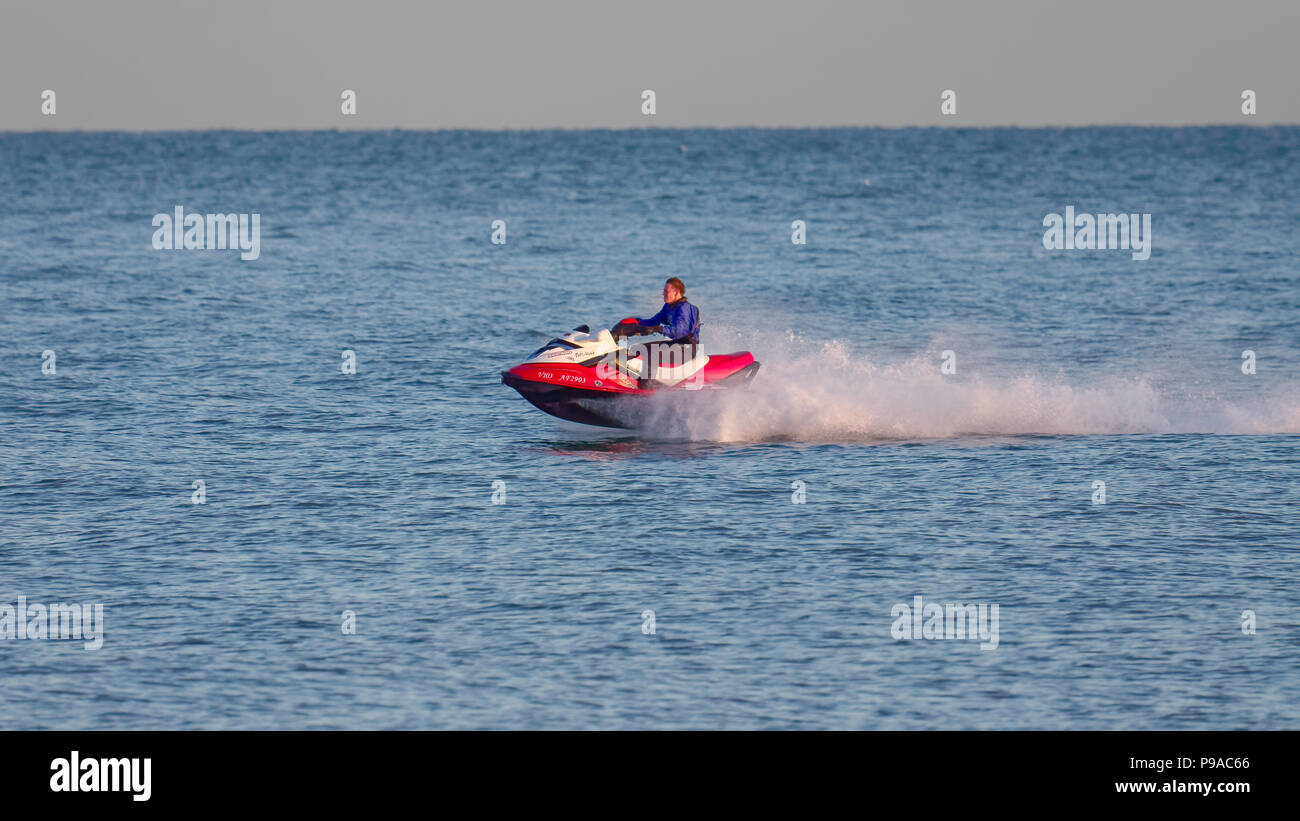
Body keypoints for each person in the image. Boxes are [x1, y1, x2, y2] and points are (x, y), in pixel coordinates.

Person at [610, 277, 701, 385]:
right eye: (663, 291)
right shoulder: (668, 307)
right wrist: (635, 324)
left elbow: (680, 331)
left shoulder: (684, 308)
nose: (663, 294)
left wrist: (658, 329)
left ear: (676, 293)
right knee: (637, 349)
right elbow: (654, 321)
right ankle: (630, 379)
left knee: (651, 354)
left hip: (687, 349)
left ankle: (647, 388)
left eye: (666, 291)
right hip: (677, 345)